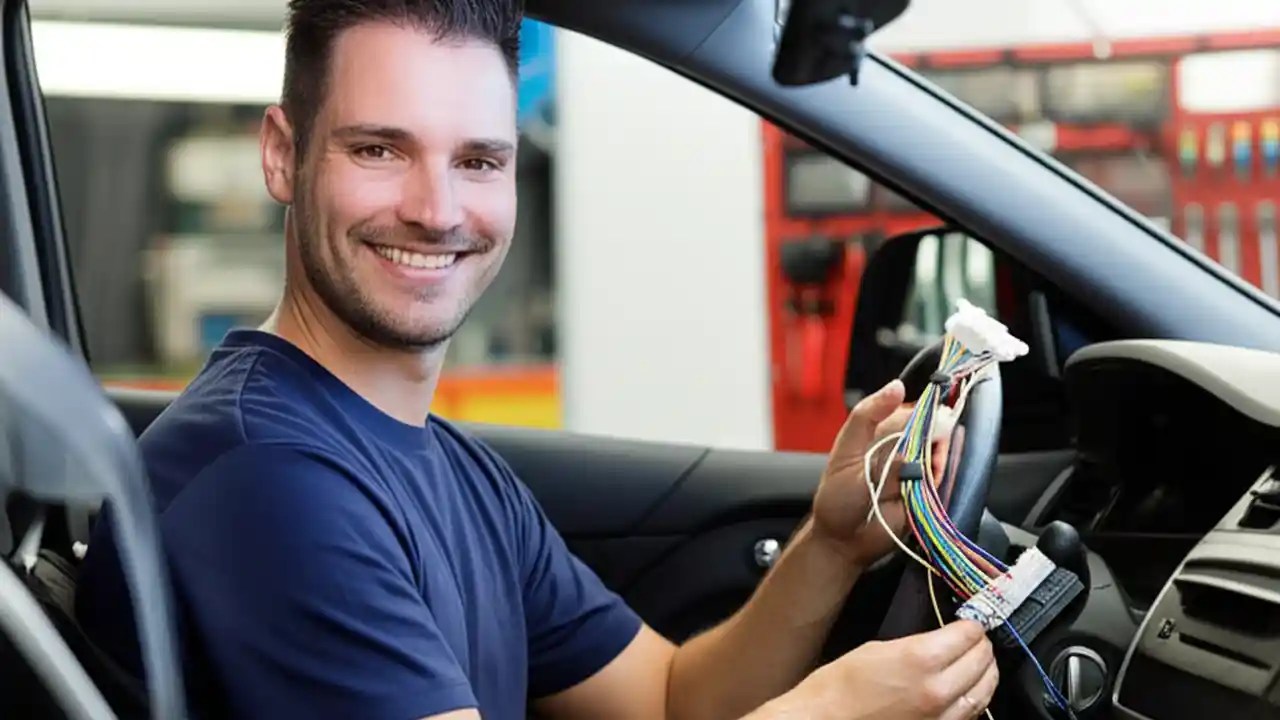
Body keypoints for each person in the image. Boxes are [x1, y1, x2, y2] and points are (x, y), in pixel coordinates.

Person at [74, 1, 998, 718]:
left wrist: (831, 548)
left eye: (479, 161)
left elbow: (673, 700)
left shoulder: (448, 466)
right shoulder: (271, 481)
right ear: (284, 156)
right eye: (379, 149)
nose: (437, 209)